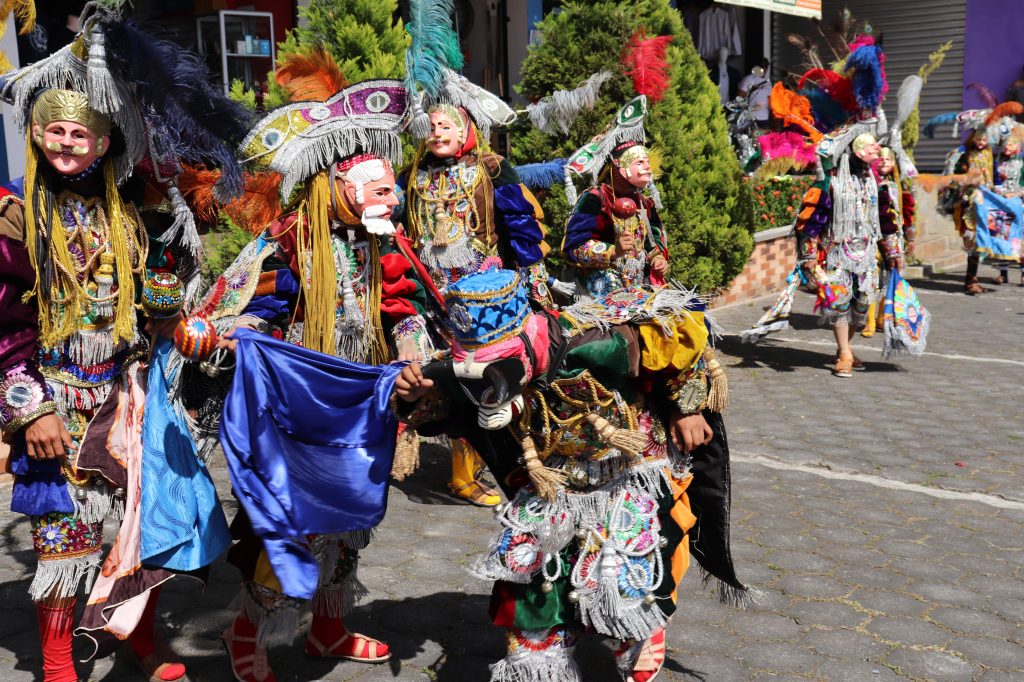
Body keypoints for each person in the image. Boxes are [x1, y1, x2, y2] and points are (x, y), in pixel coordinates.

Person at [0, 5, 250, 681]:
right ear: (36, 133)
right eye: (53, 129)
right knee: (62, 541)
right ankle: (56, 664)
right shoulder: (18, 216)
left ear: (106, 141)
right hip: (53, 396)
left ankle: (134, 637)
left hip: (127, 396)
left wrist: (183, 319)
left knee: (139, 528)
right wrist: (31, 410)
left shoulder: (131, 211)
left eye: (80, 132)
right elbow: (3, 326)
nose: (65, 142)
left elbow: (155, 303)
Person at [188, 59, 433, 681]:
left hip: (363, 404)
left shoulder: (383, 244)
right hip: (300, 409)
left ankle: (328, 630)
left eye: (393, 189)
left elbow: (402, 311)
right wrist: (223, 335)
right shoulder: (294, 242)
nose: (395, 198)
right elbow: (261, 312)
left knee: (353, 522)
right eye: (382, 190)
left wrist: (412, 360)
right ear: (342, 186)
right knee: (296, 527)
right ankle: (246, 633)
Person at [392, 268, 749, 682]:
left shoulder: (596, 342)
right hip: (548, 486)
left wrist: (688, 407)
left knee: (624, 586)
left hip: (621, 476)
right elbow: (443, 403)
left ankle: (638, 632)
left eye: (495, 371)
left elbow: (682, 332)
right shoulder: (465, 368)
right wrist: (418, 395)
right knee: (531, 592)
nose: (483, 387)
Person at [400, 6, 555, 507]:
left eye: (446, 125)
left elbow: (520, 226)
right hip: (431, 288)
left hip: (485, 291)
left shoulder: (489, 169)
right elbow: (399, 223)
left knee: (484, 374)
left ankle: (496, 461)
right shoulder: (413, 175)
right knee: (438, 373)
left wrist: (532, 275)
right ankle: (455, 463)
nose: (437, 133)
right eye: (430, 126)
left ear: (465, 125)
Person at [562, 96, 670, 299]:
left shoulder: (644, 203)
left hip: (640, 287)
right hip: (602, 290)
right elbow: (573, 247)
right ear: (619, 167)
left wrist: (658, 259)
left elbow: (653, 242)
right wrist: (612, 251)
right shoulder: (595, 199)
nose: (648, 167)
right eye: (640, 162)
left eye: (647, 161)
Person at [738, 58, 772, 128]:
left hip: (764, 118)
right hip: (751, 117)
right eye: (761, 66)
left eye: (766, 66)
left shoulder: (768, 82)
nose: (764, 68)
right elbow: (739, 98)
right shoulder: (749, 79)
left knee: (761, 137)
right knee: (753, 136)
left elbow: (770, 100)